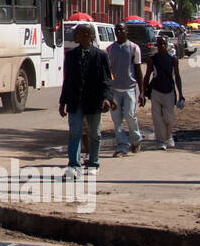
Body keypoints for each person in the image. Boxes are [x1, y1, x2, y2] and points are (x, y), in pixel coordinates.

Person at [58, 23, 114, 177]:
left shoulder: (100, 56)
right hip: (75, 101)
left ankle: (94, 162)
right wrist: (62, 102)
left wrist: (107, 98)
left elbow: (107, 80)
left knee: (94, 133)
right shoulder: (70, 56)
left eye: (78, 33)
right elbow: (67, 80)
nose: (74, 36)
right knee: (74, 132)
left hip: (94, 101)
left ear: (88, 36)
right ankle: (74, 165)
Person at [105, 22, 144, 157]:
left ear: (127, 31)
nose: (119, 32)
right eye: (117, 30)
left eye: (122, 30)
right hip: (115, 90)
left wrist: (142, 92)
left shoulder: (134, 48)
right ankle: (122, 146)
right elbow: (107, 72)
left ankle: (136, 139)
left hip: (130, 89)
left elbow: (138, 71)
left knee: (130, 115)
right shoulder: (110, 49)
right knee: (116, 120)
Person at [143, 36, 185, 150]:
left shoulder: (173, 59)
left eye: (163, 44)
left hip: (169, 91)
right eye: (159, 44)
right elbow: (147, 76)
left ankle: (168, 136)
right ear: (157, 46)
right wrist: (143, 92)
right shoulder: (153, 59)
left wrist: (180, 94)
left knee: (169, 118)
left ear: (167, 45)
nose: (161, 46)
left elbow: (177, 76)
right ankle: (161, 141)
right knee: (157, 118)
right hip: (156, 91)